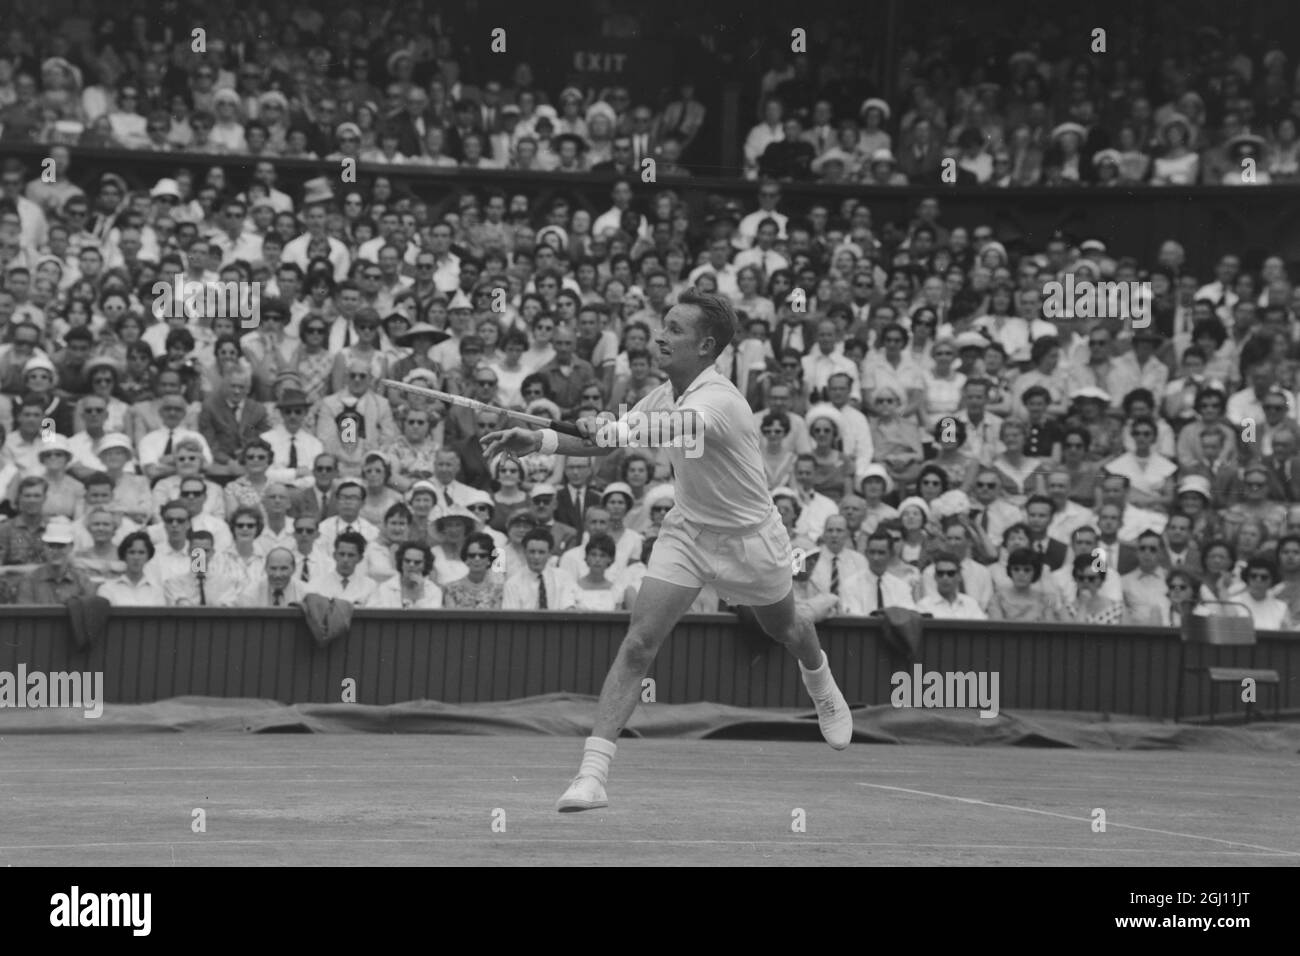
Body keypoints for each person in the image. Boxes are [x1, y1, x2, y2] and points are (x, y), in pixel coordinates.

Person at [482, 290, 852, 812]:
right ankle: (592, 776)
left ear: (705, 345)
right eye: (663, 324)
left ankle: (820, 681)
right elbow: (605, 443)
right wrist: (540, 441)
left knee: (787, 629)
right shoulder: (664, 392)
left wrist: (613, 423)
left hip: (752, 541)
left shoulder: (719, 400)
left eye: (674, 329)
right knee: (638, 644)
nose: (660, 335)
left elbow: (681, 426)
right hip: (687, 533)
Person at [15, 518, 96, 604]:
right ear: (44, 547)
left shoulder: (82, 580)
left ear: (71, 547)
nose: (56, 551)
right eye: (51, 546)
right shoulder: (30, 580)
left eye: (61, 546)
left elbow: (91, 612)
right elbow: (25, 614)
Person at [96, 530, 166, 606]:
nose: (136, 557)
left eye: (141, 552)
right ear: (124, 556)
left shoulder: (157, 590)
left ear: (148, 557)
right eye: (132, 552)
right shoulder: (107, 589)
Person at [988, 548, 1058, 621]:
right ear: (1009, 571)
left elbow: (1049, 629)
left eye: (1027, 570)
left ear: (1036, 572)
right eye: (1016, 569)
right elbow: (996, 628)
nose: (1021, 574)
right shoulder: (997, 599)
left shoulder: (1045, 601)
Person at [441, 532, 505, 609]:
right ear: (466, 558)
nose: (477, 559)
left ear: (489, 559)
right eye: (472, 555)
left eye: (482, 555)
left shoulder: (498, 591)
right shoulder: (451, 589)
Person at [372, 542, 444, 608]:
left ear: (425, 565)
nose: (411, 565)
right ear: (401, 562)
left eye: (417, 562)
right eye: (407, 561)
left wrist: (420, 593)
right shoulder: (385, 587)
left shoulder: (434, 591)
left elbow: (430, 618)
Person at [230, 547, 307, 607]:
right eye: (273, 568)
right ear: (265, 568)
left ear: (293, 569)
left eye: (284, 568)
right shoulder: (250, 593)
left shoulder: (305, 593)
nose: (277, 575)